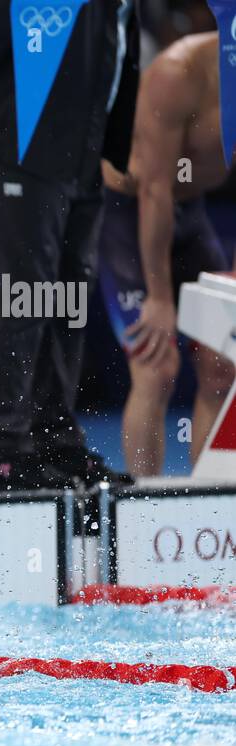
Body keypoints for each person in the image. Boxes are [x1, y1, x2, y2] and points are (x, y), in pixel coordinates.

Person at [0, 0, 139, 491]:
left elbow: (119, 65)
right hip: (17, 152)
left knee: (66, 305)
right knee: (22, 297)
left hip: (79, 161)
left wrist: (107, 150)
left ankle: (53, 440)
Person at [98, 31, 236, 476]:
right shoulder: (176, 75)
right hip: (130, 215)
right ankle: (143, 515)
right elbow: (154, 192)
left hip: (191, 215)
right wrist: (158, 297)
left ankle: (212, 510)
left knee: (223, 361)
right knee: (157, 368)